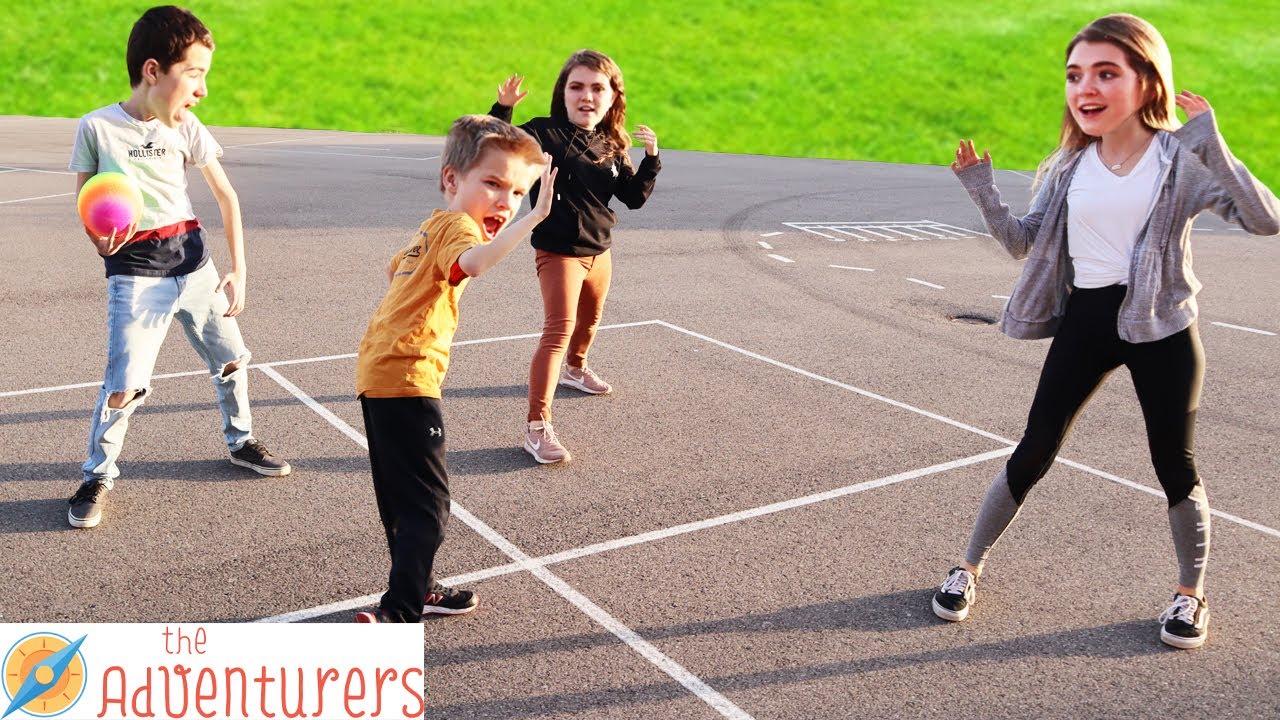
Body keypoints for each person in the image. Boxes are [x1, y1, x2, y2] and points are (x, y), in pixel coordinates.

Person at [933, 13, 1279, 649]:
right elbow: (1023, 243)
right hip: (1088, 320)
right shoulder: (1070, 164)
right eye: (1074, 75)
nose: (1084, 88)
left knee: (1173, 462)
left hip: (1162, 327)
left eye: (1105, 73)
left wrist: (1210, 140)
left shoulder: (1182, 159)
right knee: (1033, 448)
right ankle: (967, 567)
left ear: (1147, 82)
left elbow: (1265, 219)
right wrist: (981, 190)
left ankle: (1189, 595)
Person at [67, 5, 292, 530]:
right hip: (135, 269)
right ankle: (97, 473)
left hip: (195, 262)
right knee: (124, 382)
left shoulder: (186, 126)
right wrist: (100, 243)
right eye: (194, 74)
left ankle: (240, 442)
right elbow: (87, 206)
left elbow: (226, 195)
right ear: (153, 71)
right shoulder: (97, 128)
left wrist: (238, 269)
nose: (202, 90)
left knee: (232, 357)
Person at [354, 115, 554, 623]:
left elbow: (393, 266)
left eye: (519, 193)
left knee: (401, 502)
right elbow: (475, 263)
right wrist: (534, 219)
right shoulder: (460, 228)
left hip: (377, 371)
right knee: (430, 511)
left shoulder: (432, 225)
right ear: (451, 180)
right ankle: (398, 612)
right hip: (408, 375)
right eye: (493, 184)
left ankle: (417, 586)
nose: (506, 202)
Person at [489, 49, 662, 464]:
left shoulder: (612, 143)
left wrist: (652, 160)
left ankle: (576, 370)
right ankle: (537, 427)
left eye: (597, 88)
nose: (587, 96)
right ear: (563, 94)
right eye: (577, 87)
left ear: (612, 96)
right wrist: (503, 109)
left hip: (599, 250)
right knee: (557, 333)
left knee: (591, 318)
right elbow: (497, 145)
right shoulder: (544, 134)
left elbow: (633, 198)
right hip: (559, 252)